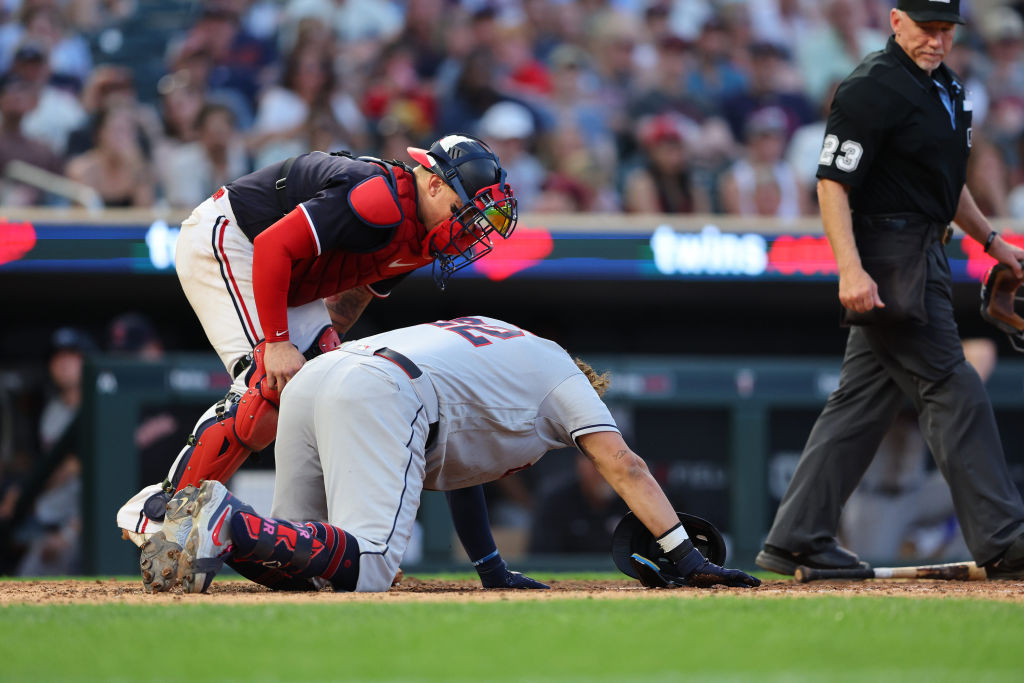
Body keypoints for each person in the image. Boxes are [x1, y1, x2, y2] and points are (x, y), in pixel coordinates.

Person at [143, 316, 760, 593]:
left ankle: (207, 532)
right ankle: (228, 520)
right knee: (372, 566)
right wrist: (684, 555)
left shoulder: (504, 357)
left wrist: (490, 567)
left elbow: (465, 471)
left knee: (301, 572)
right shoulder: (565, 378)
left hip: (321, 375)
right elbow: (624, 463)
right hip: (384, 389)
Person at [115, 134, 519, 556]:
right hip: (233, 237)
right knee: (268, 387)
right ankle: (162, 514)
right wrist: (277, 344)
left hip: (288, 275)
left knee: (333, 396)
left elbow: (355, 293)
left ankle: (320, 547)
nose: (470, 229)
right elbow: (273, 245)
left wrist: (325, 353)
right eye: (466, 211)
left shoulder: (423, 233)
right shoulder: (377, 198)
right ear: (434, 184)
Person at [756, 0, 1024, 581]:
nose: (937, 40)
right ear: (897, 21)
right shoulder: (870, 87)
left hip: (927, 247)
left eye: (946, 30)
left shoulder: (948, 87)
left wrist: (991, 240)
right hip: (889, 253)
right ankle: (1003, 538)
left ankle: (797, 538)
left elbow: (945, 184)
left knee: (861, 402)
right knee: (952, 385)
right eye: (927, 28)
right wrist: (850, 270)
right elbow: (831, 184)